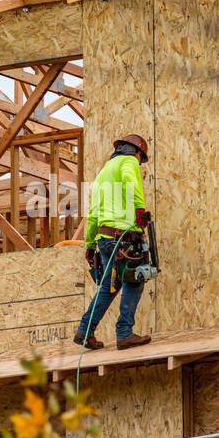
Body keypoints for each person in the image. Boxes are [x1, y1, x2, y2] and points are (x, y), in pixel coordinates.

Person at [74, 133, 153, 350]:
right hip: (125, 237)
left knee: (110, 285)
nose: (139, 162)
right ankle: (124, 333)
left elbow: (92, 213)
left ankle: (85, 330)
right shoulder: (129, 162)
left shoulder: (104, 173)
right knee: (134, 280)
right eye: (140, 158)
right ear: (137, 152)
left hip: (105, 239)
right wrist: (139, 210)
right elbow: (131, 183)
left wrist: (90, 245)